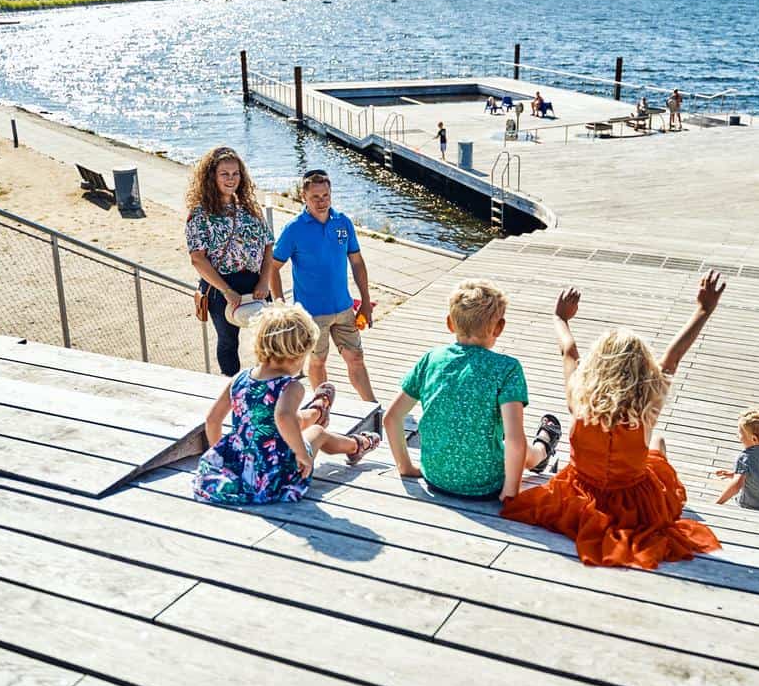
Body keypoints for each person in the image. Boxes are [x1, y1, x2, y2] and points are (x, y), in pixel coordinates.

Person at [500, 274, 727, 569]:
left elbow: (568, 351)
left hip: (581, 493)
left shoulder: (578, 399)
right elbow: (672, 359)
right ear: (645, 372)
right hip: (633, 503)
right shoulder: (648, 406)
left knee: (653, 447)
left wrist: (560, 318)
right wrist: (703, 310)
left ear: (596, 364)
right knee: (656, 444)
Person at [384, 279, 560, 501]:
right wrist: (509, 493)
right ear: (499, 327)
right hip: (485, 484)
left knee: (490, 435)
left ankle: (541, 451)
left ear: (450, 323)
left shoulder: (431, 360)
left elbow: (391, 418)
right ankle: (542, 449)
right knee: (512, 446)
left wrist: (406, 467)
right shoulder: (507, 368)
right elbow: (515, 439)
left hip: (435, 477)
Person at [193, 302, 382, 505]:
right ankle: (356, 445)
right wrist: (302, 454)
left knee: (270, 421)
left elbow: (212, 420)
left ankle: (316, 412)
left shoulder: (239, 378)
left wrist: (224, 461)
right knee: (317, 433)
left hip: (239, 471)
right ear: (299, 354)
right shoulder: (289, 387)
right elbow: (283, 417)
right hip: (274, 478)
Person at [270, 170, 377, 403]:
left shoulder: (343, 223)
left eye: (326, 195)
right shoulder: (294, 229)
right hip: (312, 314)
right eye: (315, 197)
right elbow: (272, 267)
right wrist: (280, 305)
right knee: (318, 361)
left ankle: (372, 407)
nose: (322, 202)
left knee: (356, 357)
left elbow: (357, 263)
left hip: (344, 309)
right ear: (303, 197)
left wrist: (366, 302)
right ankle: (322, 408)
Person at [186, 146, 281, 376]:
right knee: (228, 343)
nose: (231, 179)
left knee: (269, 338)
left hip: (254, 281)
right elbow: (197, 259)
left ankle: (268, 384)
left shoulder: (249, 206)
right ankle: (231, 389)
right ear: (211, 177)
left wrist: (264, 281)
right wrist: (226, 290)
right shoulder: (200, 214)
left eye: (235, 173)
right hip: (221, 287)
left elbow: (268, 244)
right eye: (224, 174)